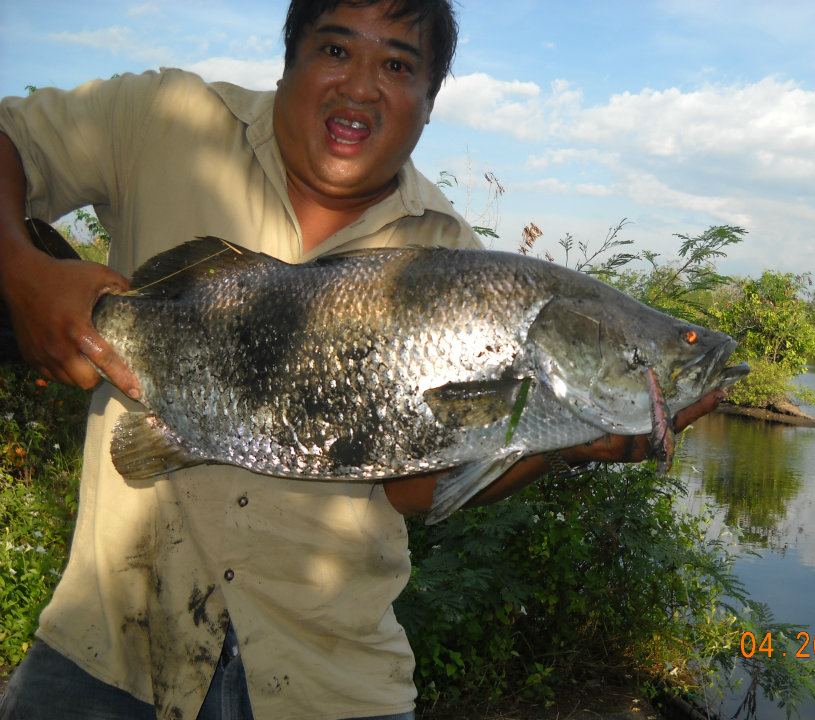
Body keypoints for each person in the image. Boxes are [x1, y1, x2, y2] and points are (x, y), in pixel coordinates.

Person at [0, 1, 723, 718]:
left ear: (430, 100)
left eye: (399, 65)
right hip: (108, 655)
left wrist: (562, 442)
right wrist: (22, 272)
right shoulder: (163, 115)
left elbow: (415, 493)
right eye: (337, 50)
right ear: (289, 61)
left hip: (328, 679)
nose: (360, 86)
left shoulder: (454, 253)